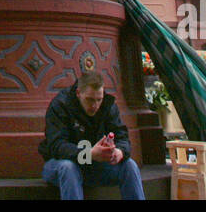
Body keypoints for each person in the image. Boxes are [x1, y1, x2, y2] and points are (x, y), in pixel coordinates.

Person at [39, 70, 144, 201]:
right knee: (68, 167)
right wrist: (88, 153)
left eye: (98, 100)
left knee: (129, 165)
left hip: (96, 166)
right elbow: (57, 146)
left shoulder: (108, 105)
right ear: (78, 93)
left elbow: (122, 136)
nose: (94, 105)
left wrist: (119, 152)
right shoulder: (60, 105)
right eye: (89, 100)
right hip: (62, 166)